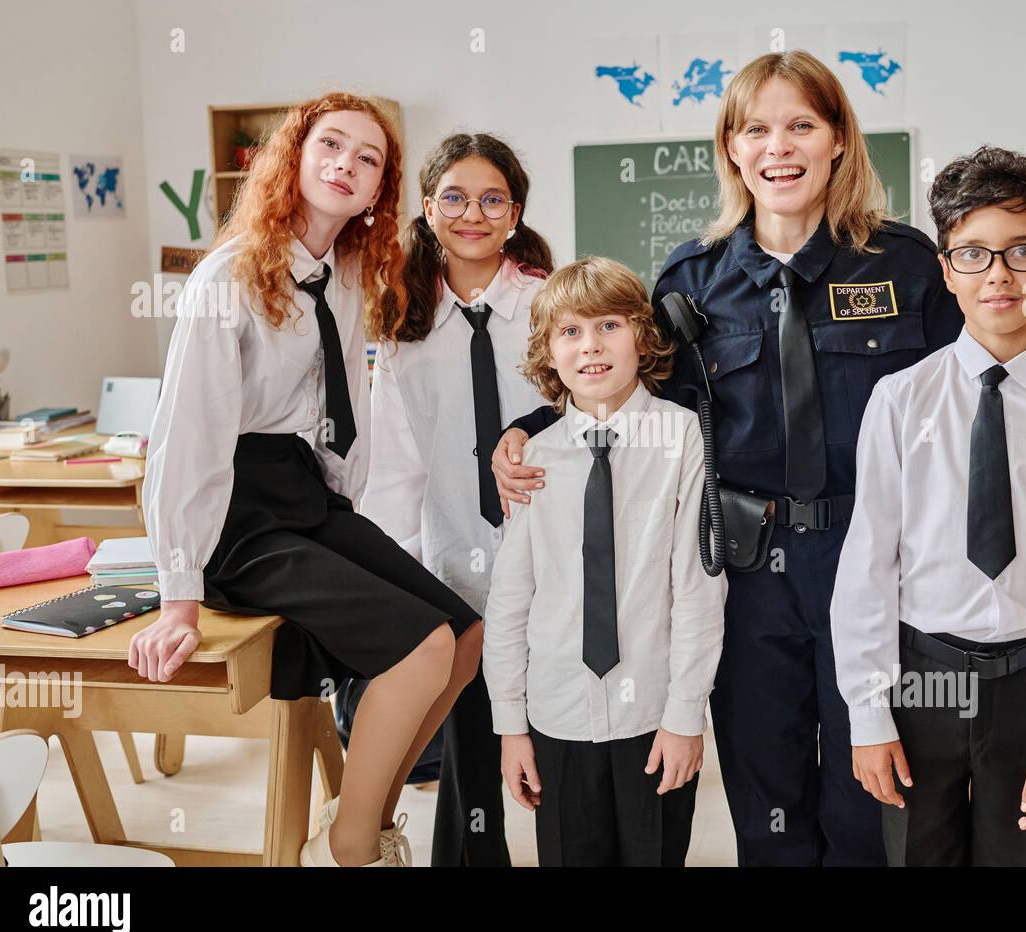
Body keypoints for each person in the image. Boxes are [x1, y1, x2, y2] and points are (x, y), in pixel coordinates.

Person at [491, 51, 1026, 866]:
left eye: (802, 124)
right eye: (757, 128)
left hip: (875, 564)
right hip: (747, 568)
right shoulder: (693, 280)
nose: (780, 147)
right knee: (767, 791)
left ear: (838, 138)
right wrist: (525, 427)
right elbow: (624, 389)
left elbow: (993, 368)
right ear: (731, 147)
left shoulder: (906, 265)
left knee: (871, 787)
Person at [131, 93, 484, 867]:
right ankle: (354, 850)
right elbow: (188, 441)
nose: (345, 165)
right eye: (331, 145)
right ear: (294, 156)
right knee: (421, 648)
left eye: (368, 158)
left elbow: (341, 403)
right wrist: (178, 596)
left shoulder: (348, 272)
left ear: (377, 189)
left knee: (465, 637)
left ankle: (366, 814)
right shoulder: (228, 277)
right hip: (236, 511)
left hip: (307, 495)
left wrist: (339, 507)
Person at [833, 145, 1026, 866]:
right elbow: (869, 567)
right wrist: (869, 714)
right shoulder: (901, 400)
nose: (998, 274)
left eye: (1023, 251)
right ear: (946, 270)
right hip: (919, 677)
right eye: (972, 254)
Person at [350, 132, 553, 866]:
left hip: (549, 560)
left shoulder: (548, 306)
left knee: (553, 738)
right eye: (456, 198)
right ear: (429, 209)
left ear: (515, 212)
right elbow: (395, 465)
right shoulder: (402, 322)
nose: (474, 213)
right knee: (469, 756)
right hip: (451, 567)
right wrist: (398, 575)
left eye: (492, 198)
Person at [483, 257, 726, 866]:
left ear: (642, 337)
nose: (590, 346)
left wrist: (685, 716)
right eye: (569, 332)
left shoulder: (683, 437)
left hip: (652, 712)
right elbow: (510, 601)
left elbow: (697, 589)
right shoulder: (532, 457)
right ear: (548, 351)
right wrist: (511, 725)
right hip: (556, 714)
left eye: (608, 326)